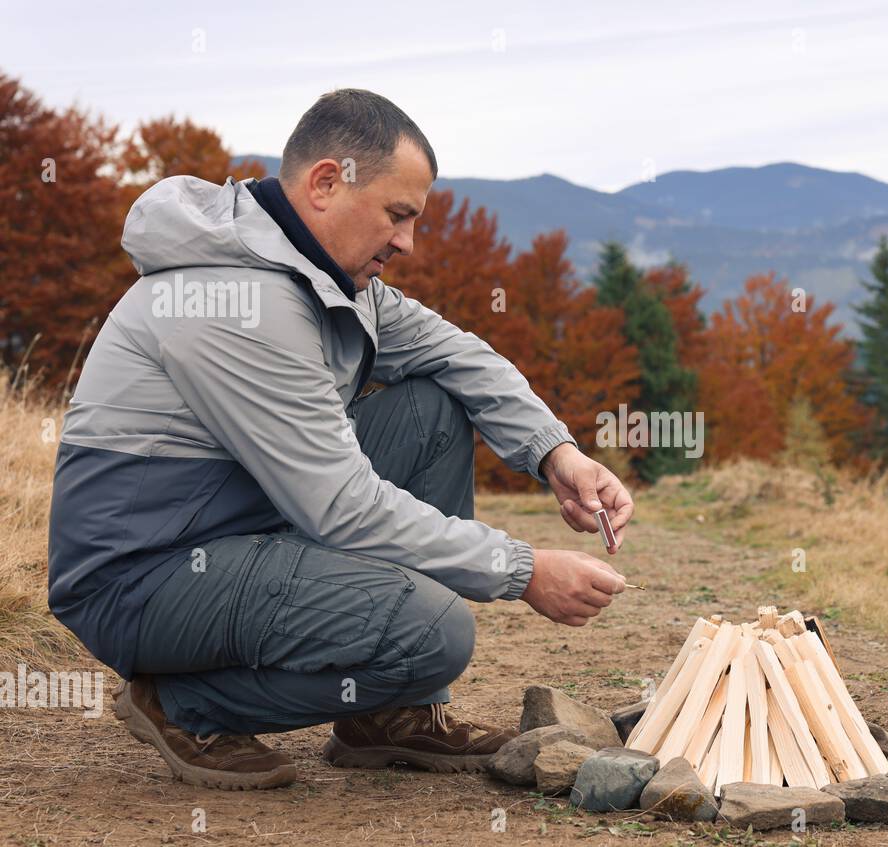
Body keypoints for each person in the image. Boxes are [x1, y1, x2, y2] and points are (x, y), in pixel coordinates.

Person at [47, 88, 634, 790]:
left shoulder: (321, 274)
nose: (407, 242)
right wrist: (523, 568)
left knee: (431, 407)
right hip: (143, 574)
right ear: (327, 183)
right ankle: (179, 702)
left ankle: (387, 716)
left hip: (237, 523)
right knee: (436, 629)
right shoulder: (242, 302)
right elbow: (343, 505)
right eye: (397, 215)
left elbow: (458, 353)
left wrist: (557, 454)